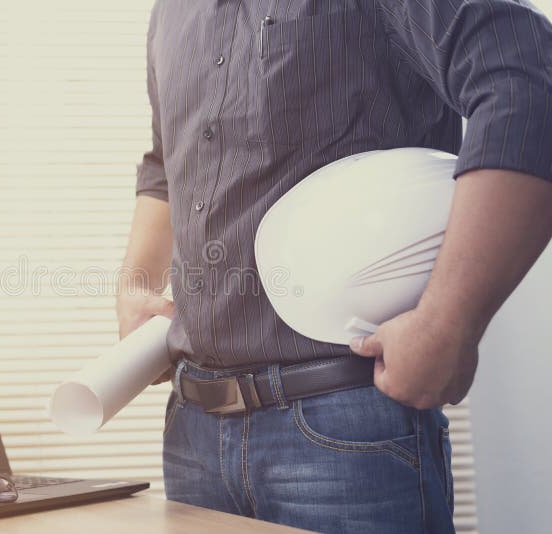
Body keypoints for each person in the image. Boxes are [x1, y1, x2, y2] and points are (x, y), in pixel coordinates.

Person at [116, 1, 552, 532]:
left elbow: (525, 84)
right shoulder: (171, 11)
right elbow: (165, 162)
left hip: (345, 426)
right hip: (191, 436)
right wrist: (136, 284)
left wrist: (449, 323)